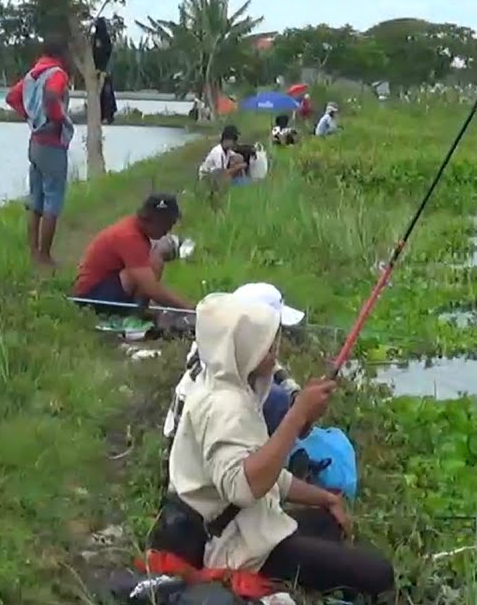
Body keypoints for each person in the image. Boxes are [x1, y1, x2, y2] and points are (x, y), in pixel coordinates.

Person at [163, 293, 394, 598]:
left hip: (252, 525)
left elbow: (269, 474)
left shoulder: (231, 386)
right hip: (232, 546)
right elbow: (244, 487)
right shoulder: (223, 407)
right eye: (268, 348)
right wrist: (297, 416)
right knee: (380, 573)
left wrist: (324, 498)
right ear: (244, 348)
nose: (274, 354)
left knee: (328, 522)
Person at [163, 282, 306, 443]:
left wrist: (294, 393)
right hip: (193, 458)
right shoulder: (219, 393)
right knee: (276, 399)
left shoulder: (232, 348)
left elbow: (274, 368)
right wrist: (294, 420)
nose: (276, 346)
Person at [6, 36, 73, 267]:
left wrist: (30, 117)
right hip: (52, 143)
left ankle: (34, 252)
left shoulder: (32, 75)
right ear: (62, 54)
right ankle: (45, 256)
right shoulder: (57, 73)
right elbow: (53, 95)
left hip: (34, 143)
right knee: (53, 199)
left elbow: (12, 97)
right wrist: (56, 118)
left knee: (36, 199)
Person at [72, 193, 196, 313]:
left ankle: (137, 308)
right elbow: (151, 288)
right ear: (154, 220)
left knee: (150, 263)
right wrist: (187, 308)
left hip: (104, 286)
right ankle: (135, 312)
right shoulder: (129, 236)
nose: (169, 230)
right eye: (168, 224)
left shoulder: (134, 227)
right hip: (91, 296)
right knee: (151, 264)